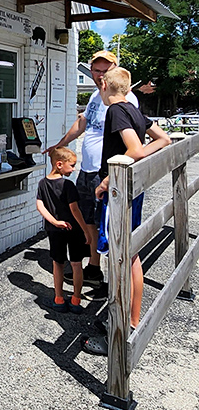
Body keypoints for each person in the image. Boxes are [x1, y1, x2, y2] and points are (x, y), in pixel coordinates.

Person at [82, 66, 170, 356]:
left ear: (105, 84)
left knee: (123, 255)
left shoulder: (116, 111)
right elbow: (164, 140)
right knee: (130, 253)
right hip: (133, 188)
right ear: (130, 88)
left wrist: (106, 180)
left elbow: (136, 149)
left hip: (119, 192)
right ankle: (129, 321)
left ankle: (123, 331)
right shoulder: (134, 109)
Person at [49, 50, 138, 286]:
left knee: (108, 224)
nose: (100, 75)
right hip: (87, 170)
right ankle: (94, 269)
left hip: (108, 172)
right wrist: (60, 144)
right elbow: (82, 123)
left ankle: (115, 282)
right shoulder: (94, 98)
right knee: (88, 218)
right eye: (96, 70)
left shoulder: (124, 98)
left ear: (114, 71)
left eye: (105, 70)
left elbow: (137, 140)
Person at [36, 147, 89, 312]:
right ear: (59, 164)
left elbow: (40, 206)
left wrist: (55, 222)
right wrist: (86, 230)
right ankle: (76, 299)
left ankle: (58, 298)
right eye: (71, 165)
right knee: (76, 263)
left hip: (54, 230)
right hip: (73, 229)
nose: (73, 169)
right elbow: (75, 210)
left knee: (58, 263)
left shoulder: (42, 183)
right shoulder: (68, 185)